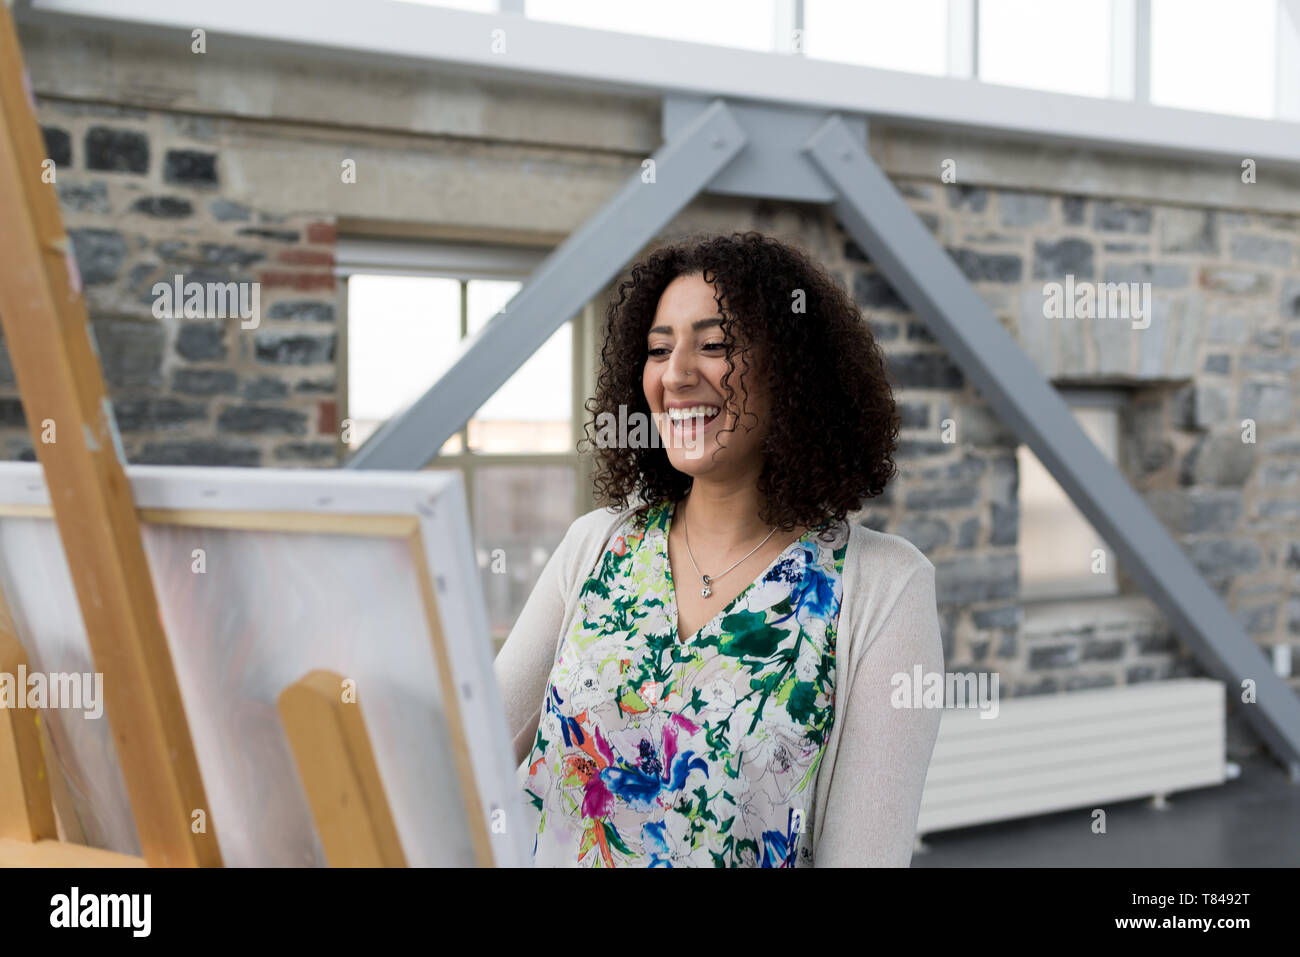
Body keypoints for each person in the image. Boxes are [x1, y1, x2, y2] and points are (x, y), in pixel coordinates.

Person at [494, 230, 944, 867]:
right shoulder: (596, 545)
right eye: (658, 349)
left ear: (792, 373)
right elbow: (467, 749)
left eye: (714, 345)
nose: (676, 375)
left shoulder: (882, 588)